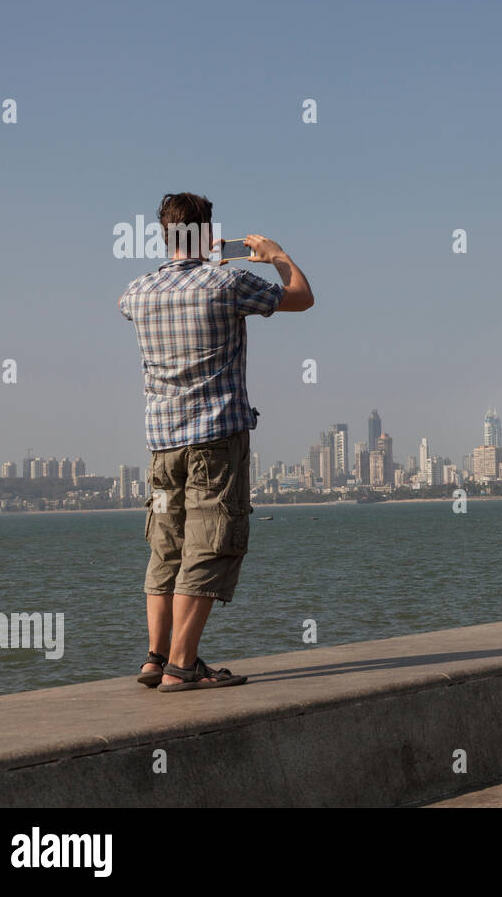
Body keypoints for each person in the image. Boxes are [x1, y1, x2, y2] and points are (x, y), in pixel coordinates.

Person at [119, 193, 314, 691]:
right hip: (214, 442)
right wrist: (277, 256)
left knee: (166, 547)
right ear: (209, 236)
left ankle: (155, 658)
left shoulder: (138, 291)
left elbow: (128, 304)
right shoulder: (228, 281)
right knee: (208, 546)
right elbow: (300, 297)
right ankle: (182, 668)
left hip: (161, 447)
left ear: (165, 236)